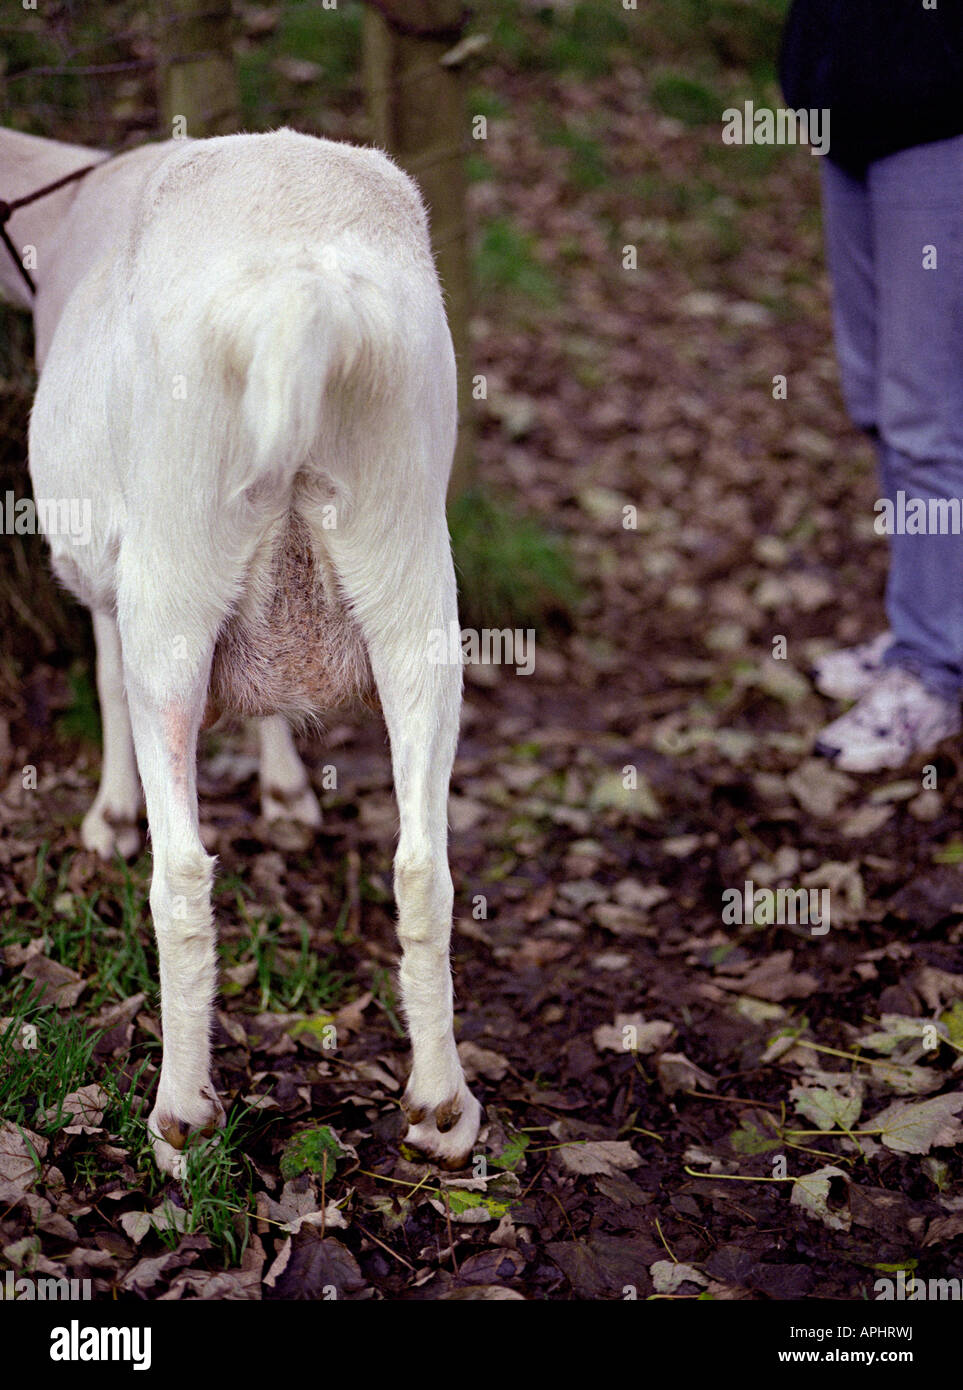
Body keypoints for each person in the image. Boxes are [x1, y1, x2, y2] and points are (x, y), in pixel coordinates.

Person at [779, 1, 963, 772]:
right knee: (877, 403)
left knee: (927, 412)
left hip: (937, 116)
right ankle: (921, 626)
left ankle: (932, 668)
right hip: (846, 114)